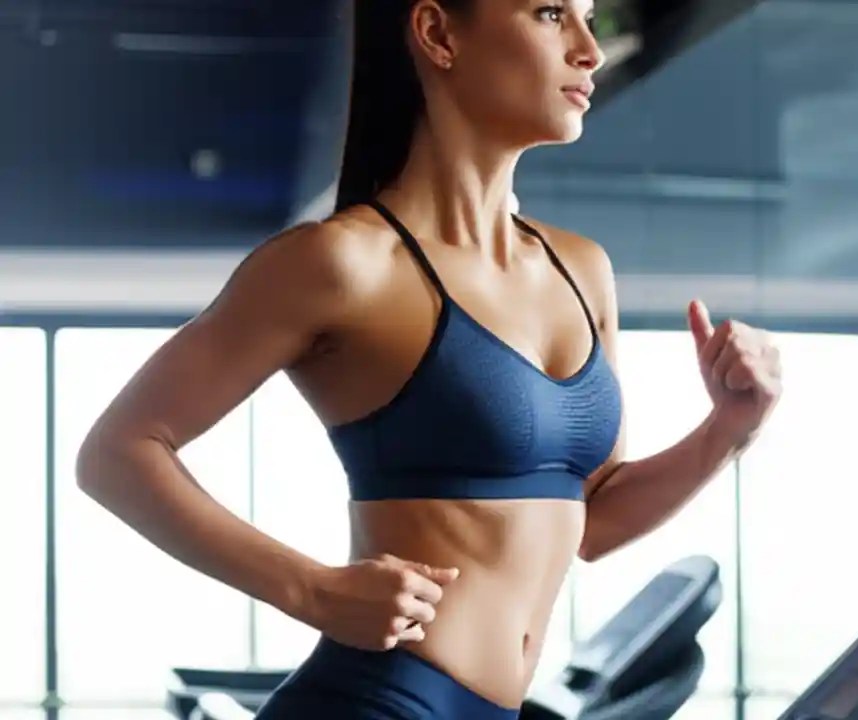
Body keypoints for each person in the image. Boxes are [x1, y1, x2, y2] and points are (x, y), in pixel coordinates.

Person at [74, 1, 783, 718]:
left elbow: (591, 520)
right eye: (548, 13)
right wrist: (311, 590)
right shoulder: (342, 264)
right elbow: (117, 452)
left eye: (587, 15)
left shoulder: (581, 269)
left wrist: (727, 428)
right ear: (439, 34)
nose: (589, 50)